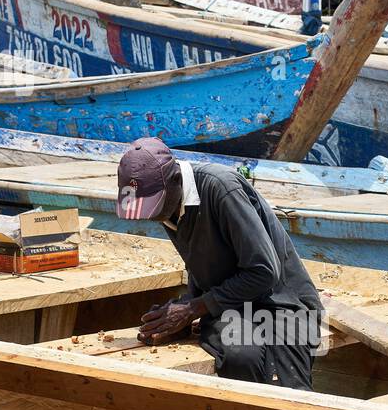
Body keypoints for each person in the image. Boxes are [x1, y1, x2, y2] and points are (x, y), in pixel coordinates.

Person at [116, 137, 323, 390]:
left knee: (288, 384)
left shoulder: (221, 188)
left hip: (280, 302)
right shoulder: (168, 203)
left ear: (175, 181)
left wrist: (193, 309)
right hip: (231, 304)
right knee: (240, 357)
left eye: (155, 207)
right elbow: (203, 263)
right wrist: (179, 315)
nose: (153, 216)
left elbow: (263, 272)